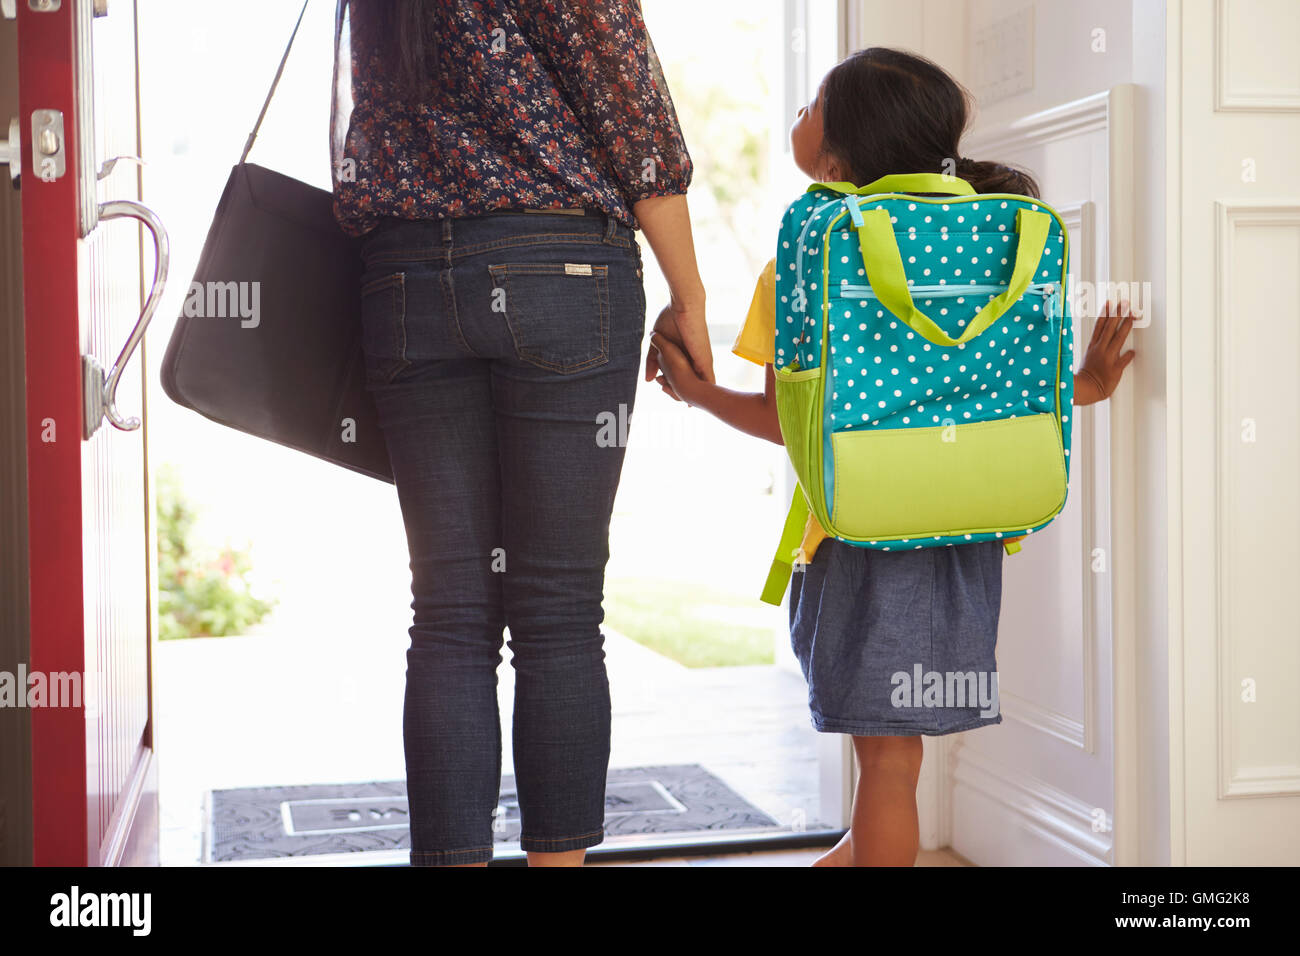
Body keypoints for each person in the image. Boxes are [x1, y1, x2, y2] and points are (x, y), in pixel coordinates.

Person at [649, 47, 1137, 867]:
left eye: (811, 105)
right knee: (895, 756)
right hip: (966, 541)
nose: (798, 115)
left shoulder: (810, 250)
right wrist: (1085, 379)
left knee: (887, 761)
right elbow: (1010, 395)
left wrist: (698, 396)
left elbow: (785, 423)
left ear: (837, 155)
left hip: (862, 539)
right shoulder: (994, 240)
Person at [330, 0, 713, 867]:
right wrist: (689, 299)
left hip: (405, 282)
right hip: (564, 270)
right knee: (560, 615)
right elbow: (635, 126)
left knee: (449, 614)